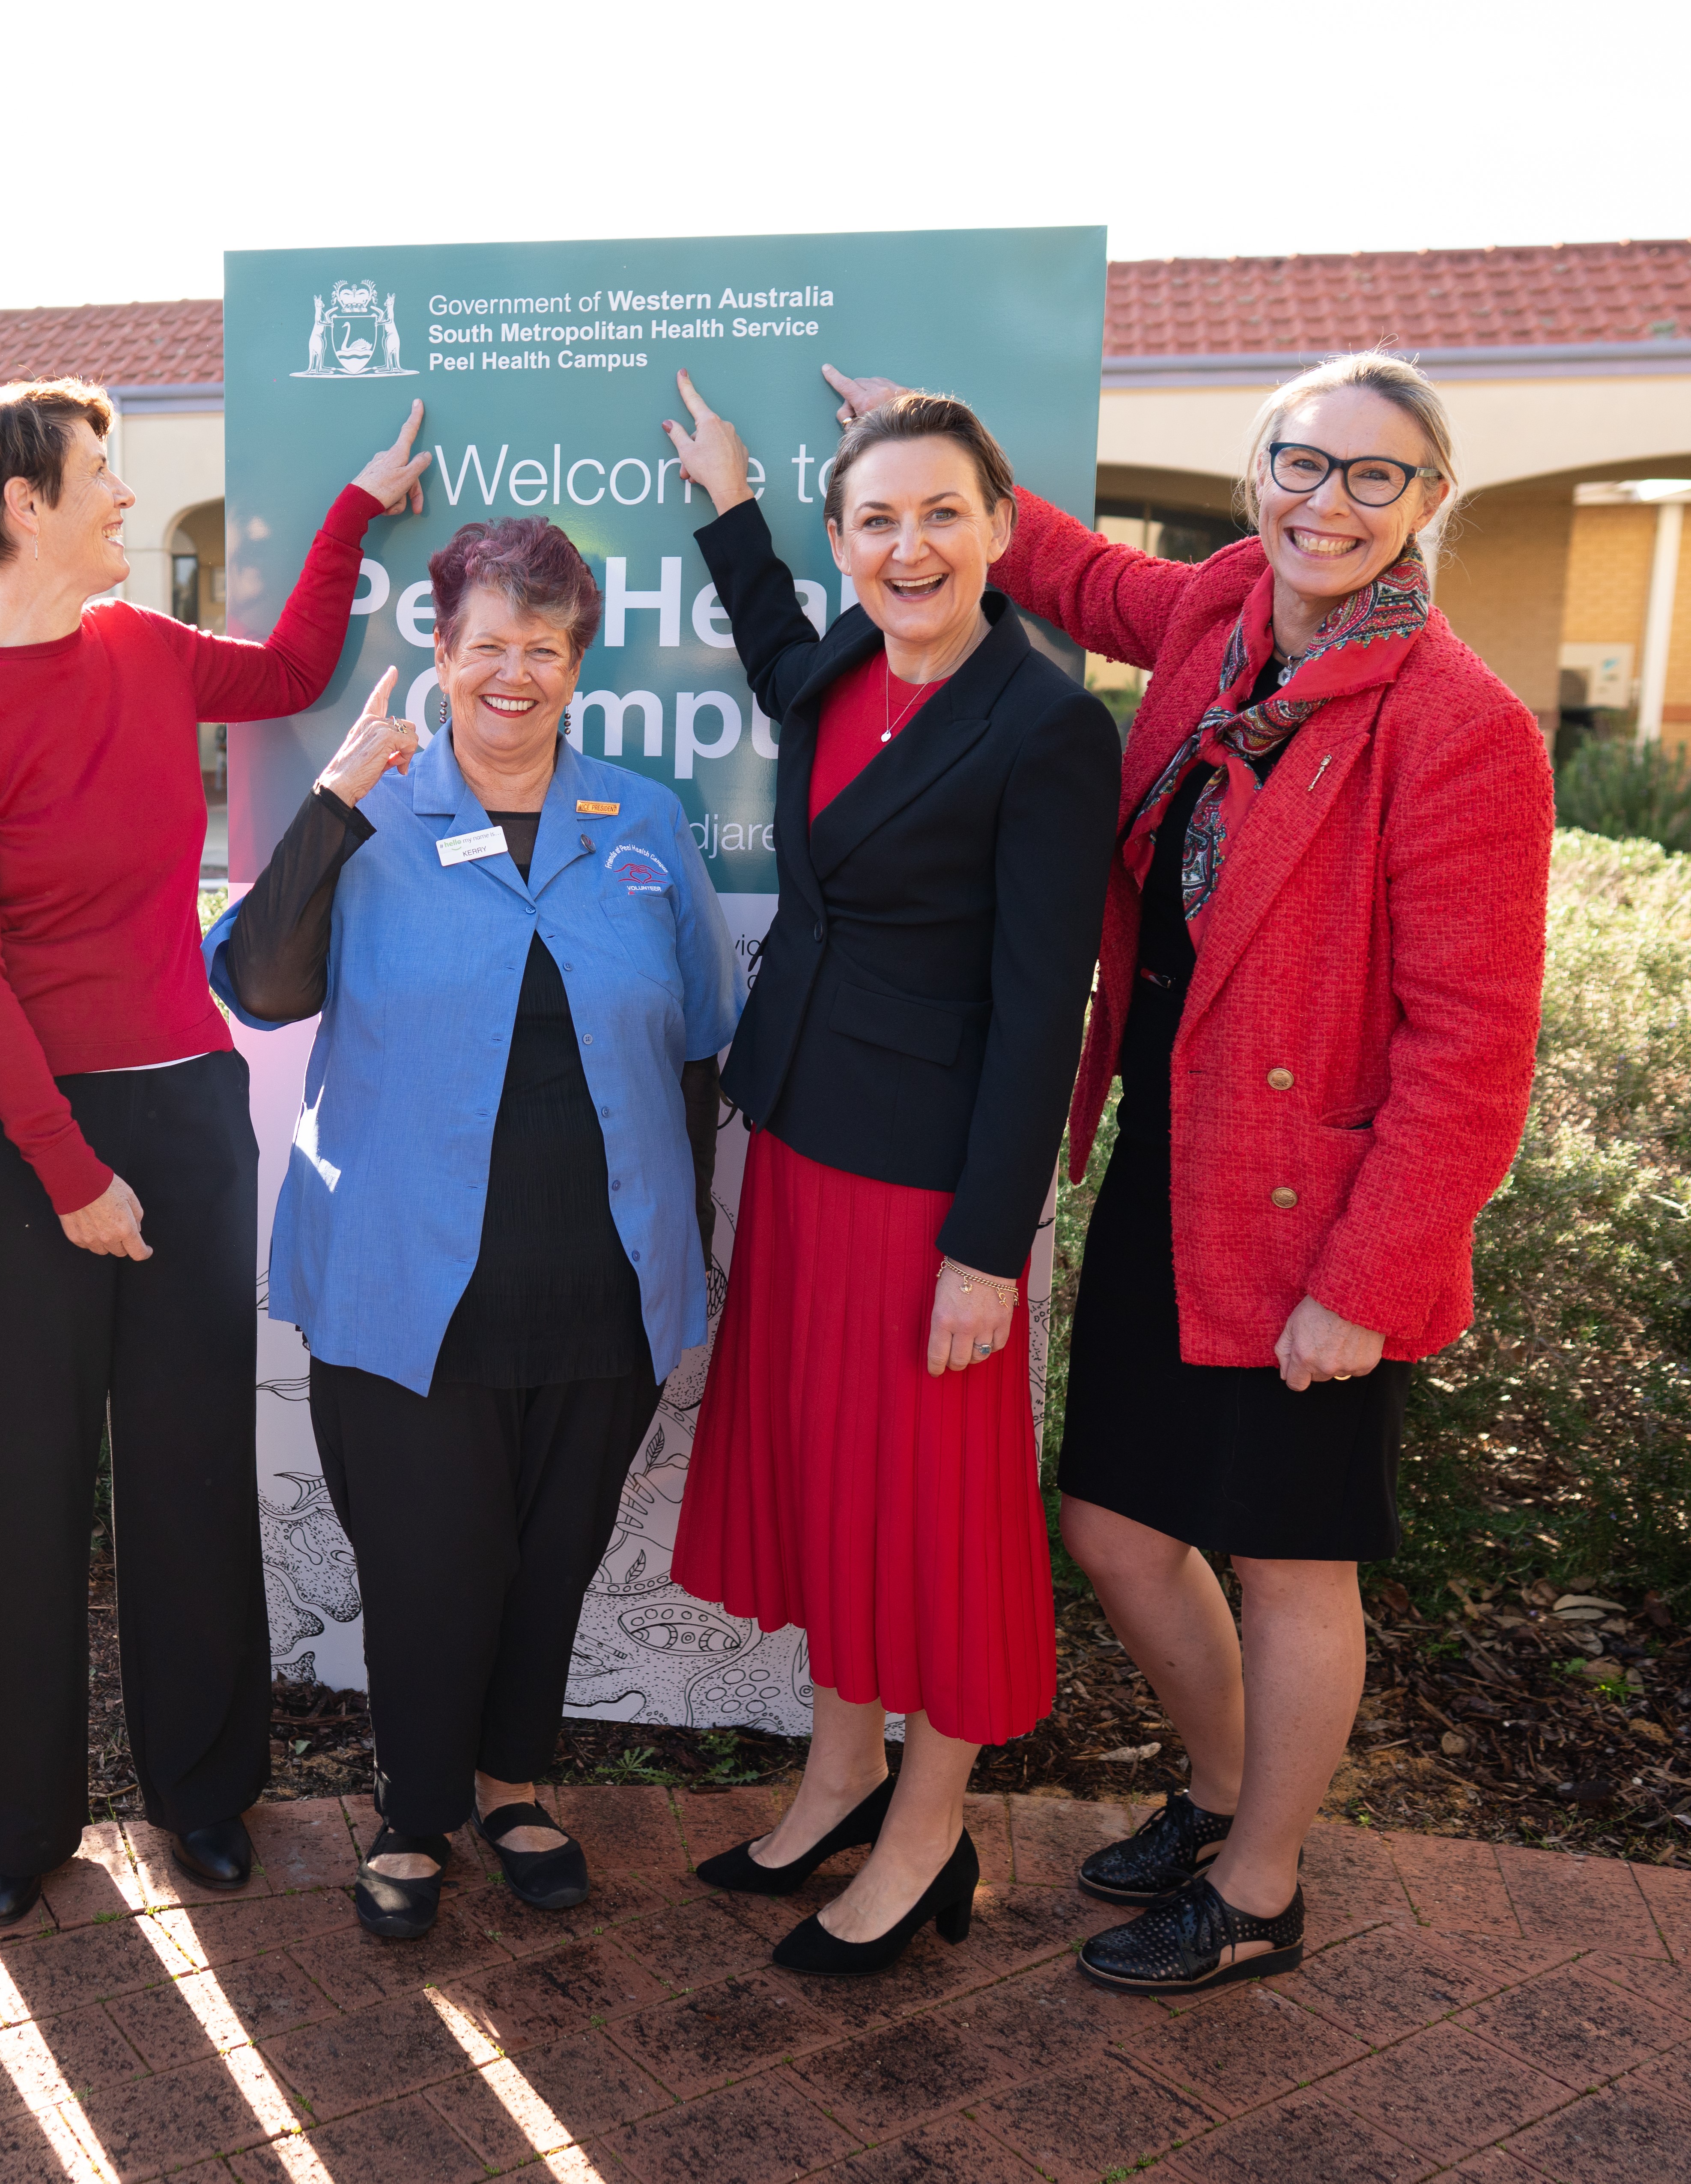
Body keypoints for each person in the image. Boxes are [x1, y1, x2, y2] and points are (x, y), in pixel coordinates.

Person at [828, 351, 1551, 1995]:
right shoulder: (1229, 611)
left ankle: (1263, 1885)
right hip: (1172, 1161)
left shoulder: (1461, 730)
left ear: (1431, 500)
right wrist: (924, 425)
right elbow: (1072, 567)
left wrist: (1364, 1286)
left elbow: (1472, 1052)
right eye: (1306, 465)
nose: (1331, 503)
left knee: (1292, 1560)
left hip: (1320, 1213)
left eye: (1378, 476)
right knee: (1114, 1527)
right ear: (1260, 474)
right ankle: (1223, 1791)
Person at [0, 378, 432, 1924]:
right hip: (17, 1141)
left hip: (187, 1115)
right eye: (101, 475)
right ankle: (20, 1820)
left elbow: (294, 668)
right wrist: (69, 1176)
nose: (127, 498)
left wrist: (354, 512)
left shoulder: (145, 649)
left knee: (191, 1468)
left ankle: (205, 1791)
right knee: (29, 1484)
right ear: (20, 508)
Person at [204, 519, 741, 1937]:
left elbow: (697, 1051)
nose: (516, 674)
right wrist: (328, 799)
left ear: (579, 663)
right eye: (487, 645)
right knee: (431, 1565)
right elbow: (257, 988)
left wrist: (681, 1257)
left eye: (545, 649)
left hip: (602, 1285)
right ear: (440, 653)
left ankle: (512, 1783)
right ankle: (414, 1804)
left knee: (548, 1555)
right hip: (401, 1285)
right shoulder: (370, 818)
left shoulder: (644, 822)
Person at [660, 374, 1118, 1977]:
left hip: (928, 1197)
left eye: (943, 513)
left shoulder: (1052, 726)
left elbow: (1040, 1007)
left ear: (1003, 528)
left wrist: (988, 1250)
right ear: (845, 542)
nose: (909, 547)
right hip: (796, 1140)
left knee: (929, 1511)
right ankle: (840, 1774)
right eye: (877, 521)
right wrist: (730, 504)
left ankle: (929, 1831)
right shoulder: (850, 652)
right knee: (835, 1484)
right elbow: (786, 665)